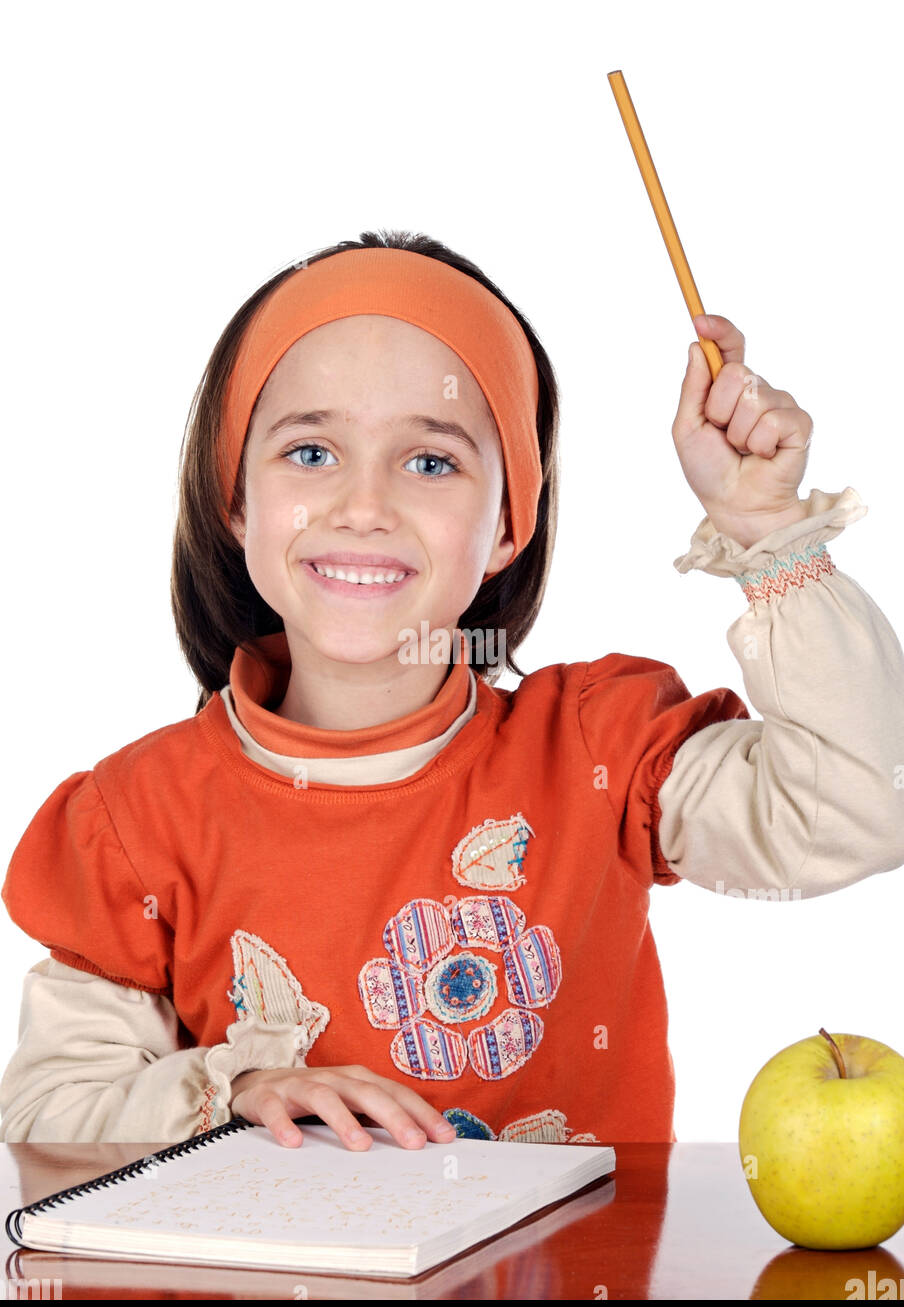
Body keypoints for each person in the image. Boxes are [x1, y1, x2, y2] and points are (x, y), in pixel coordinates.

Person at [2, 230, 902, 1150]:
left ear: (511, 524)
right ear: (237, 501)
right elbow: (43, 1124)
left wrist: (769, 531)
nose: (364, 505)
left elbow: (865, 807)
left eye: (430, 462)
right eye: (310, 452)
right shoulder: (133, 822)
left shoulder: (603, 753)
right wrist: (241, 1089)